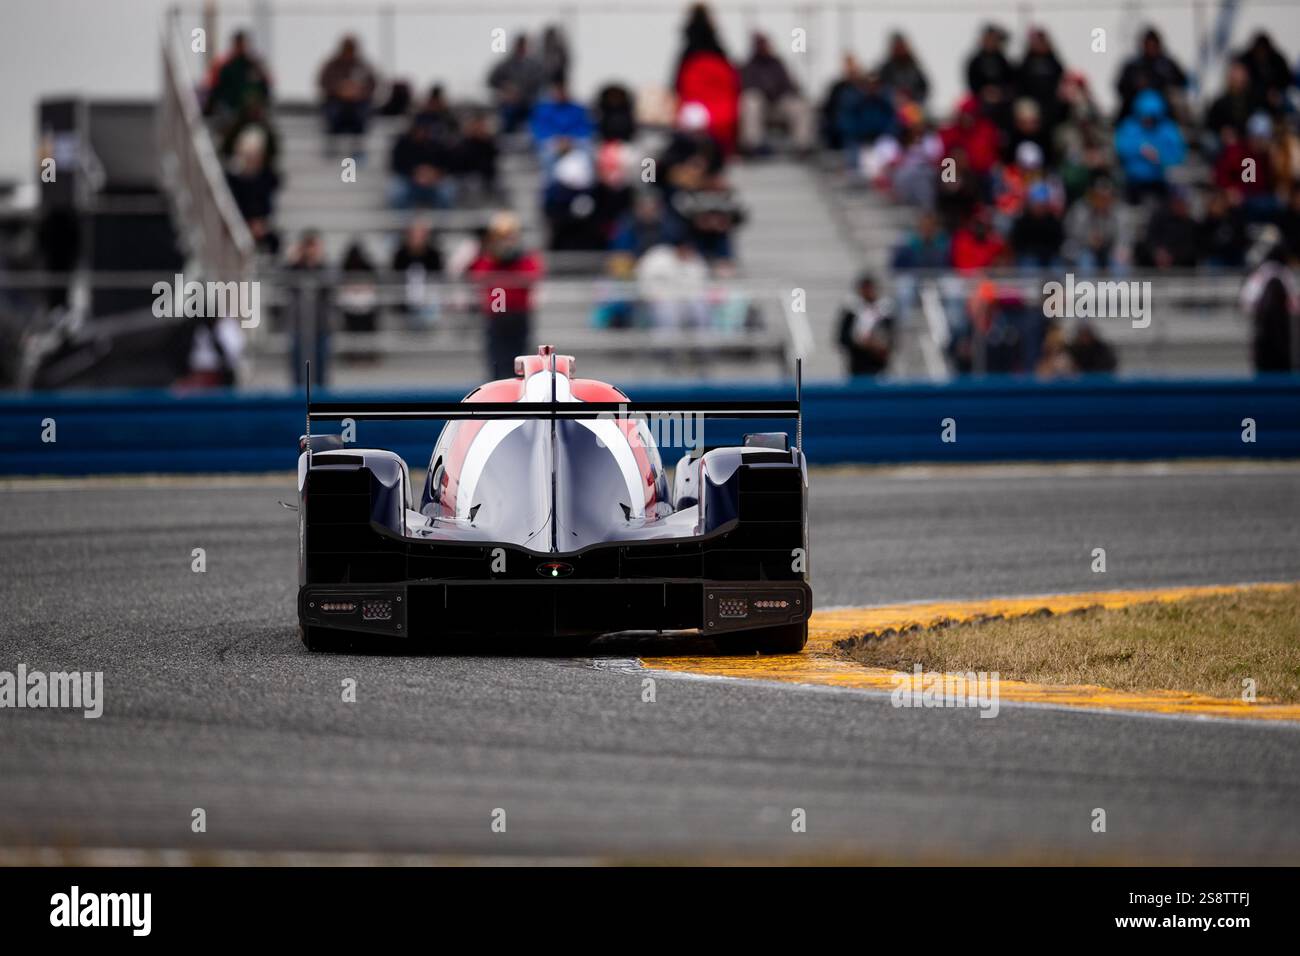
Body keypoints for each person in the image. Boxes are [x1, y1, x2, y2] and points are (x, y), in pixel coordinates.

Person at [468, 213, 544, 379]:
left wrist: (507, 271)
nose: (505, 242)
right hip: (497, 316)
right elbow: (477, 274)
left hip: (518, 315)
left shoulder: (524, 258)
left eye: (509, 236)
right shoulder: (487, 259)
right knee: (497, 362)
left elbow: (532, 276)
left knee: (520, 362)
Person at [673, 4, 740, 153]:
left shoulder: (690, 52)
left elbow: (677, 83)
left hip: (703, 102)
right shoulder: (716, 50)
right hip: (712, 103)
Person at [738, 32, 814, 155]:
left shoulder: (777, 64)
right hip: (761, 107)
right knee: (751, 100)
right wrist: (766, 89)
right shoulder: (749, 66)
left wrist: (783, 90)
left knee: (800, 106)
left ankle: (803, 145)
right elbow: (747, 87)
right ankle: (753, 145)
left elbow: (790, 85)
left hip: (779, 103)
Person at [1114, 89, 1185, 204]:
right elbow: (1121, 148)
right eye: (1144, 117)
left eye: (1151, 118)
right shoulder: (1129, 126)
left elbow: (1178, 154)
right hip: (1133, 180)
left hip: (1160, 180)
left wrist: (1160, 156)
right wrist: (1140, 150)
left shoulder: (1168, 129)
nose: (1147, 121)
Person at [1240, 242, 1299, 372]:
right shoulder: (1285, 275)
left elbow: (1247, 303)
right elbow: (1295, 306)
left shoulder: (1260, 275)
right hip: (1279, 334)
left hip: (1266, 333)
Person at [285, 230, 330, 387]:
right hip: (298, 326)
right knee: (298, 371)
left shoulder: (325, 267)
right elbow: (284, 283)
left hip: (320, 325)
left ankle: (321, 403)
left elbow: (331, 286)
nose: (311, 251)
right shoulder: (294, 268)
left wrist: (317, 262)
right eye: (308, 246)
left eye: (314, 246)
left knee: (321, 372)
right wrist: (293, 261)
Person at [224, 127, 280, 254]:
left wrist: (261, 223)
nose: (253, 158)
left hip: (261, 223)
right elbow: (233, 202)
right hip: (239, 222)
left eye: (256, 154)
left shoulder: (268, 176)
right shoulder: (233, 176)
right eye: (249, 154)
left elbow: (267, 201)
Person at [317, 36, 377, 150]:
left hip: (358, 103)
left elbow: (372, 84)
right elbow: (323, 82)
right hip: (336, 102)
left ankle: (359, 146)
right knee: (332, 112)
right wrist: (340, 90)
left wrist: (358, 92)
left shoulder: (363, 65)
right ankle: (333, 145)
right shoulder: (332, 65)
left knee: (363, 113)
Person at [1116, 28, 1188, 121]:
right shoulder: (1134, 66)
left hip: (1165, 109)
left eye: (1153, 45)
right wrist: (1136, 88)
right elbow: (1121, 87)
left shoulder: (1167, 64)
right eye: (1148, 45)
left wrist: (1162, 86)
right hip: (1136, 110)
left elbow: (1182, 82)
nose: (1150, 48)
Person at [204, 31, 272, 128]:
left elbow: (265, 89)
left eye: (243, 44)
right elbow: (216, 90)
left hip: (251, 113)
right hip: (231, 112)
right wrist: (208, 110)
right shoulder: (226, 67)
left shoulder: (255, 66)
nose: (242, 47)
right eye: (239, 44)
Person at [836, 273, 895, 377]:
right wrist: (859, 342)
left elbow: (892, 338)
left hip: (879, 367)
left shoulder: (885, 311)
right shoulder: (851, 311)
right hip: (857, 365)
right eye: (865, 289)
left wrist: (878, 345)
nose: (868, 292)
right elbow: (842, 338)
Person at [389, 120, 455, 209]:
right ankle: (403, 221)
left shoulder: (437, 144)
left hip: (435, 180)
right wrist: (415, 173)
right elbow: (396, 165)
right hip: (408, 179)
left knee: (447, 191)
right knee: (397, 192)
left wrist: (434, 173)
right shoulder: (402, 144)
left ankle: (442, 221)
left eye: (424, 130)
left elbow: (446, 164)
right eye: (418, 130)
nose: (421, 133)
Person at [487, 36, 547, 134]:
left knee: (541, 112)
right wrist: (505, 89)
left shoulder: (534, 65)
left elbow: (540, 83)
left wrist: (524, 94)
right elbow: (491, 80)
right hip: (509, 104)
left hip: (529, 102)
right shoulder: (505, 64)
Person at [392, 219, 444, 328]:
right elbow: (395, 276)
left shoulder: (433, 254)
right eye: (414, 235)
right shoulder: (400, 254)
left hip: (428, 296)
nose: (417, 238)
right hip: (405, 295)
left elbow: (438, 276)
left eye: (420, 235)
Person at [966, 24, 1015, 100]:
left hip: (1002, 98)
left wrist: (999, 91)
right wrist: (984, 91)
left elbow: (1010, 80)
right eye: (989, 39)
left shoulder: (1003, 60)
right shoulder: (976, 61)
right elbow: (972, 83)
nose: (991, 42)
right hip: (981, 97)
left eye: (994, 39)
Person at [878, 33, 928, 105]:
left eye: (901, 46)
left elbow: (923, 88)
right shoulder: (886, 68)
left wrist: (913, 98)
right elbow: (880, 87)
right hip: (892, 107)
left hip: (911, 107)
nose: (900, 49)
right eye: (897, 46)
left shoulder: (914, 68)